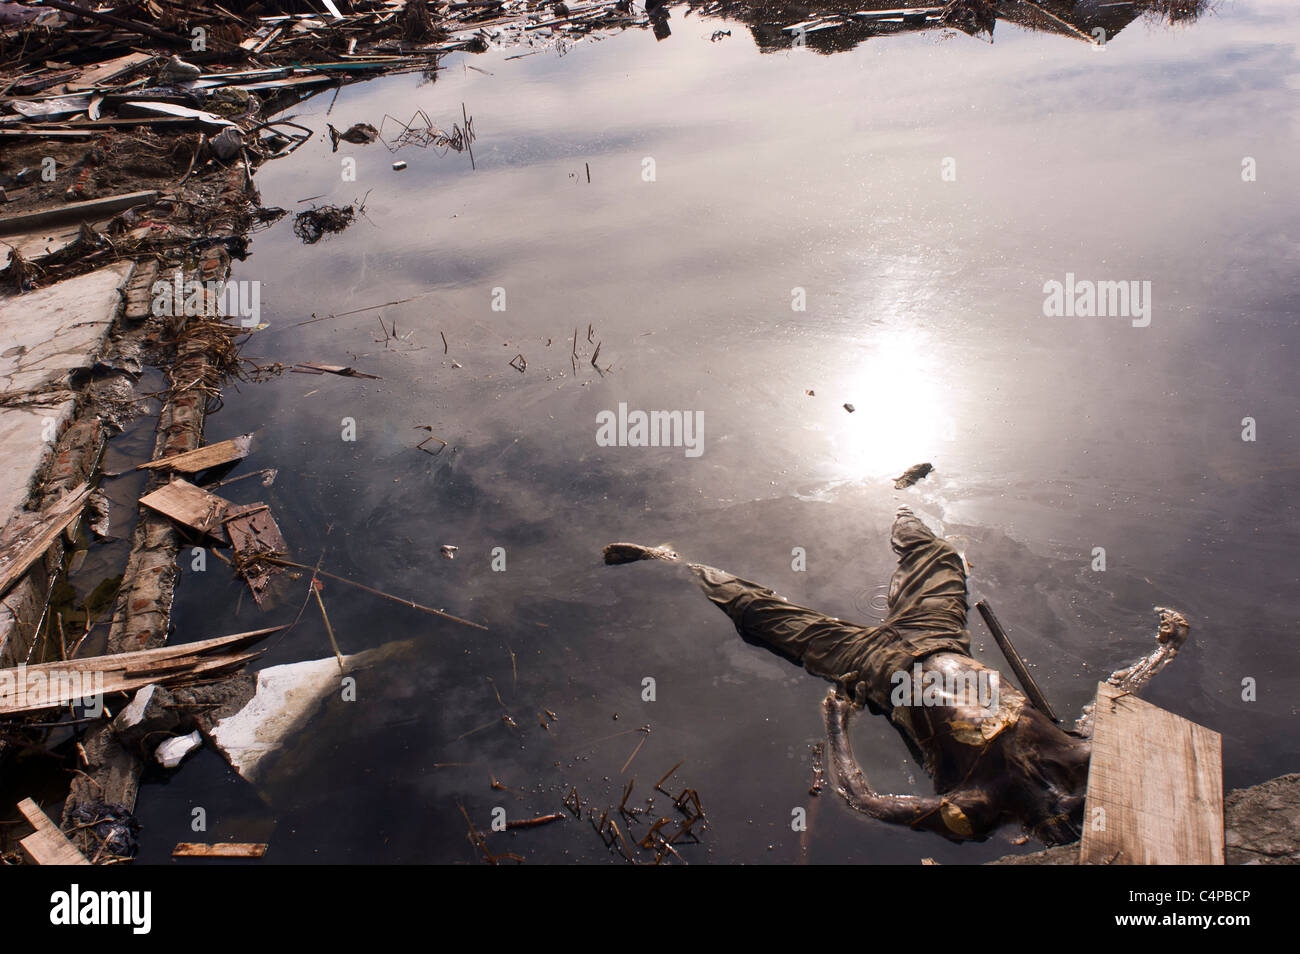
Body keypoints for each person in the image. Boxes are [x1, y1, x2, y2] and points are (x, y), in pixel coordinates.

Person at [604, 507, 1188, 845]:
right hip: (938, 636)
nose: (1062, 808)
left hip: (872, 666)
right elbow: (1111, 702)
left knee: (759, 616)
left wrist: (836, 725)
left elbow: (860, 798)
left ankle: (672, 561)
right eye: (1076, 812)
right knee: (938, 555)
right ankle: (902, 505)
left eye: (1057, 823)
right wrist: (1164, 652)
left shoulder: (976, 808)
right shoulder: (1082, 757)